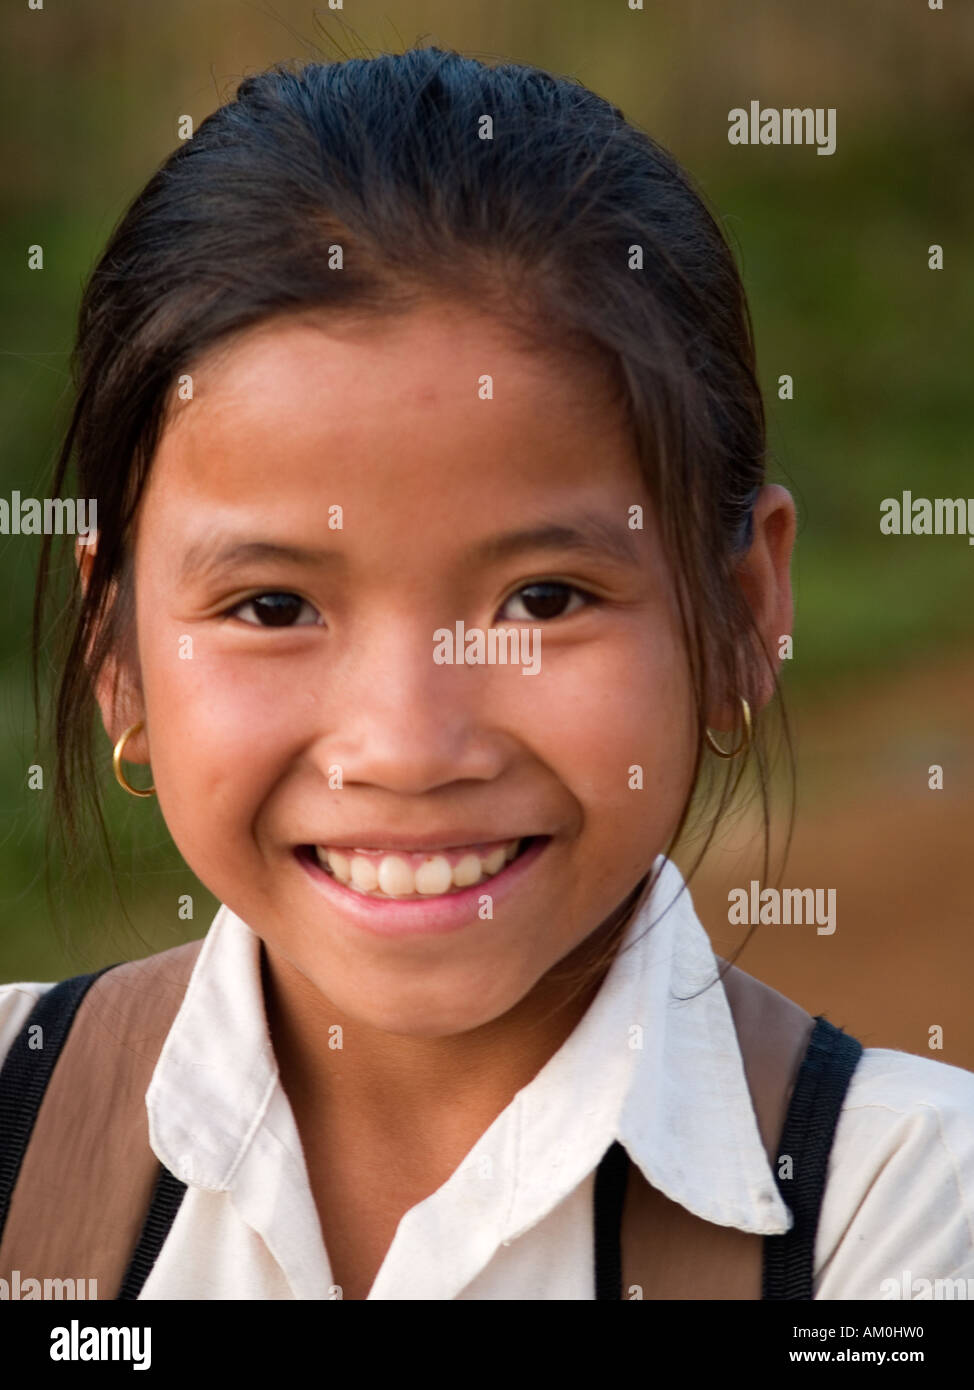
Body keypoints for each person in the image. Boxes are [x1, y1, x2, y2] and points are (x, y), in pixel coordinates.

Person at [1, 47, 972, 1302]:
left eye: (543, 598)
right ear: (119, 657)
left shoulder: (904, 1210)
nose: (406, 744)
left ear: (739, 612)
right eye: (273, 606)